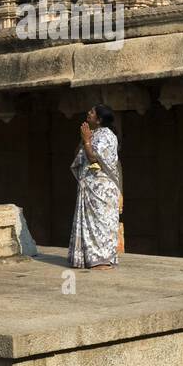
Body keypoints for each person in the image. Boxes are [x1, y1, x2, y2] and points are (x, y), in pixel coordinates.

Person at [69, 104, 122, 270]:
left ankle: (103, 260)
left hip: (101, 189)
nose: (88, 113)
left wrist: (86, 140)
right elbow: (79, 156)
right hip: (89, 187)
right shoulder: (94, 134)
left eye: (92, 112)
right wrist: (84, 139)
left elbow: (93, 158)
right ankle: (89, 257)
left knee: (102, 224)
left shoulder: (107, 135)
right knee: (90, 223)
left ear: (99, 119)